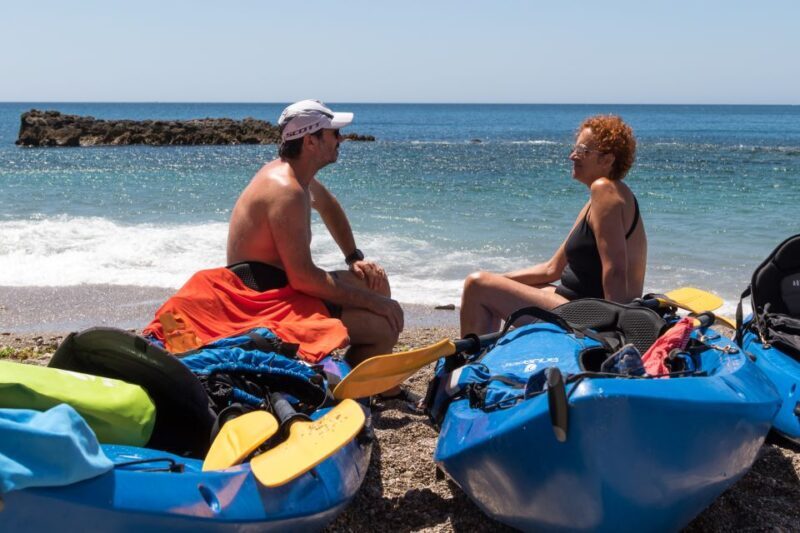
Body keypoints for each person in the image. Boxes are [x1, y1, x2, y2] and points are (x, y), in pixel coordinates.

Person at [227, 99, 405, 382]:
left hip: (278, 285)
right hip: (263, 297)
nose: (341, 138)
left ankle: (361, 380)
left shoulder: (292, 174)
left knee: (375, 281)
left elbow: (328, 206)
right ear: (311, 141)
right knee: (384, 325)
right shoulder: (287, 190)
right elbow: (303, 279)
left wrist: (354, 258)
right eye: (334, 133)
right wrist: (374, 304)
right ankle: (345, 386)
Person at [460, 115, 647, 336]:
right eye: (575, 148)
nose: (572, 156)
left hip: (590, 316)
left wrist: (616, 332)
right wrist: (500, 279)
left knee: (476, 284)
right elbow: (551, 269)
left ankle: (468, 363)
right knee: (489, 284)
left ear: (607, 160)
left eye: (583, 150)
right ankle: (484, 356)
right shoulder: (598, 199)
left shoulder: (604, 189)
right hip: (573, 304)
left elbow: (616, 270)